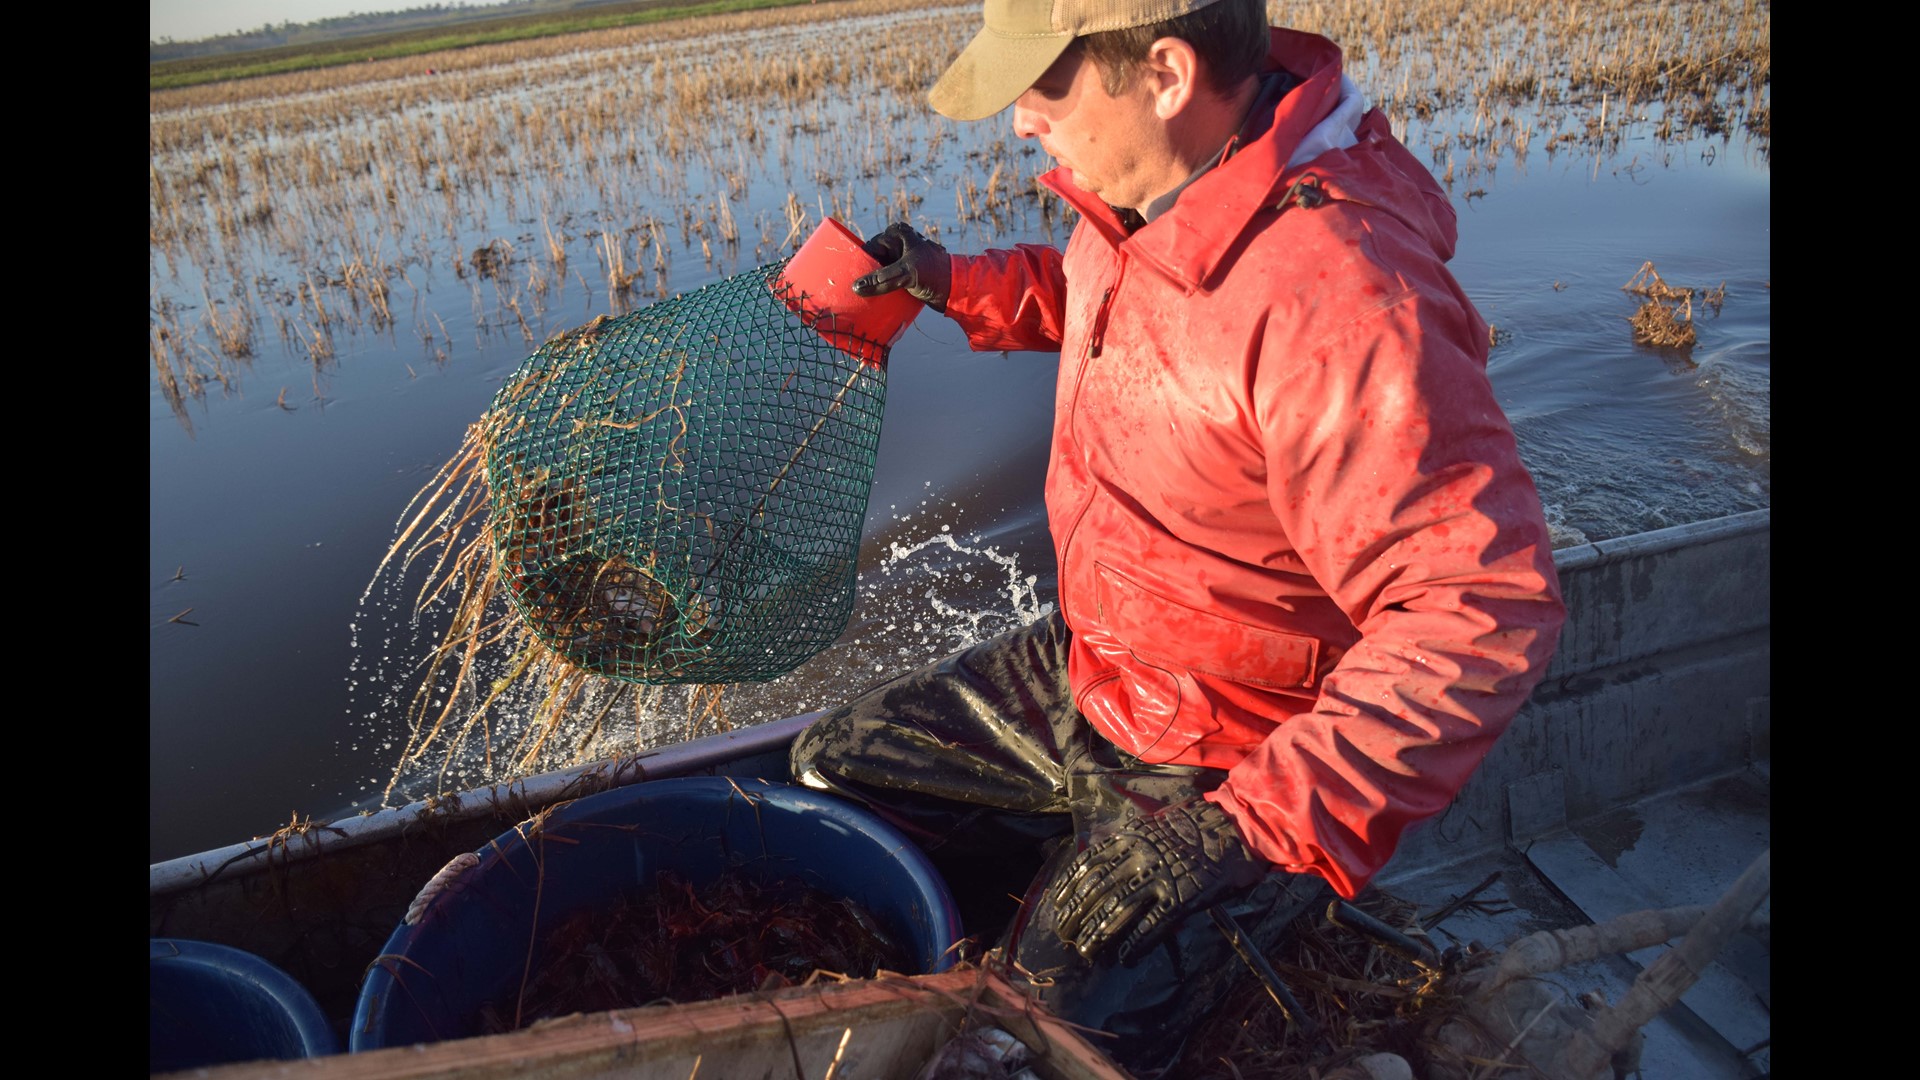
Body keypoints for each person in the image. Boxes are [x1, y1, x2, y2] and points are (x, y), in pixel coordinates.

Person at [790, 0, 1568, 1072]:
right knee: (834, 775)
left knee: (1039, 1038)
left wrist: (1245, 827)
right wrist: (953, 281)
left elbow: (1482, 610)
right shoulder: (1151, 193)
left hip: (1235, 755)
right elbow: (1112, 306)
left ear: (1163, 73)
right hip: (1099, 674)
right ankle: (1049, 920)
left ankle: (1203, 934)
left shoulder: (1337, 296)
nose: (1021, 124)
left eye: (1044, 87)